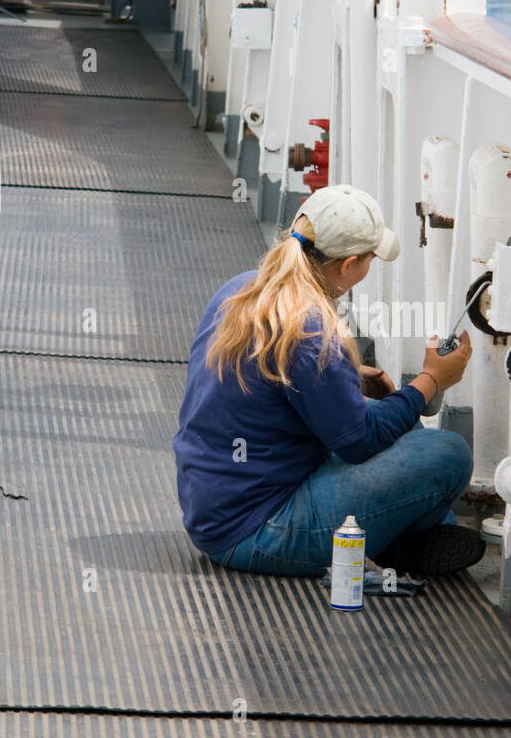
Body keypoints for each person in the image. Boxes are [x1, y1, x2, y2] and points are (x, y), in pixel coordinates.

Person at [173, 184, 484, 578]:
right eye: (369, 259)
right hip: (258, 531)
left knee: (390, 420)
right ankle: (408, 538)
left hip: (215, 505)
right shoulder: (310, 329)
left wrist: (347, 380)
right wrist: (431, 381)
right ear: (348, 265)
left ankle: (410, 541)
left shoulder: (242, 288)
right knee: (446, 452)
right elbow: (358, 443)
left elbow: (262, 381)